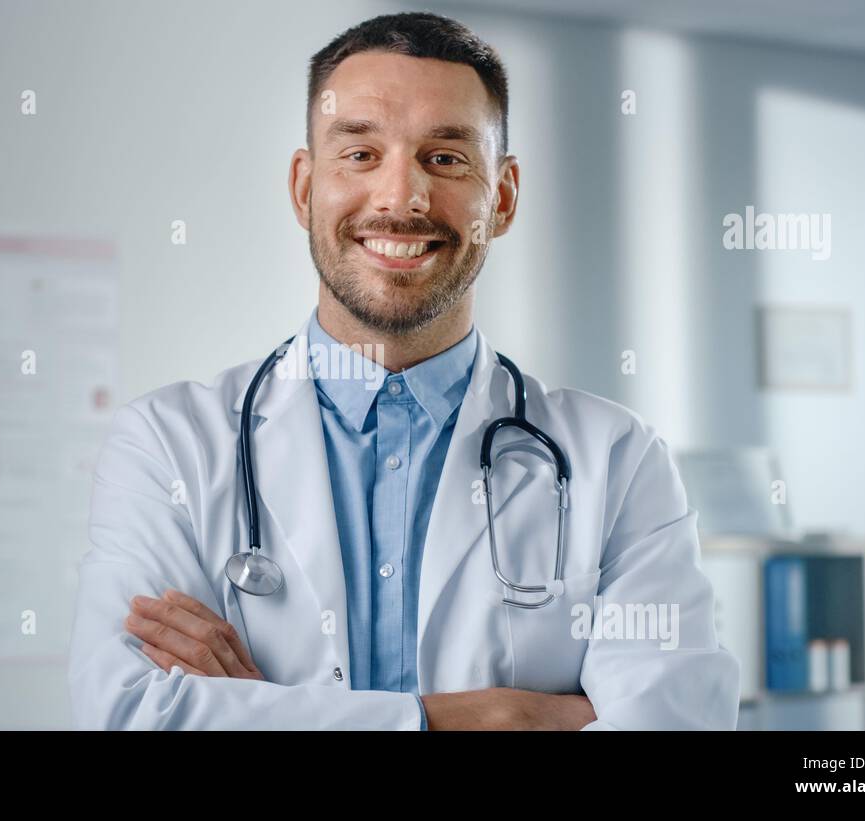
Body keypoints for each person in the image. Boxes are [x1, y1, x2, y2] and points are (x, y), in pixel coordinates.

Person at [68, 12, 739, 730]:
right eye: (360, 153)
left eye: (445, 159)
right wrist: (500, 714)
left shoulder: (616, 458)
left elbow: (675, 721)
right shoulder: (168, 444)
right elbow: (129, 714)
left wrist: (268, 710)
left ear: (503, 198)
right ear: (303, 187)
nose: (399, 199)